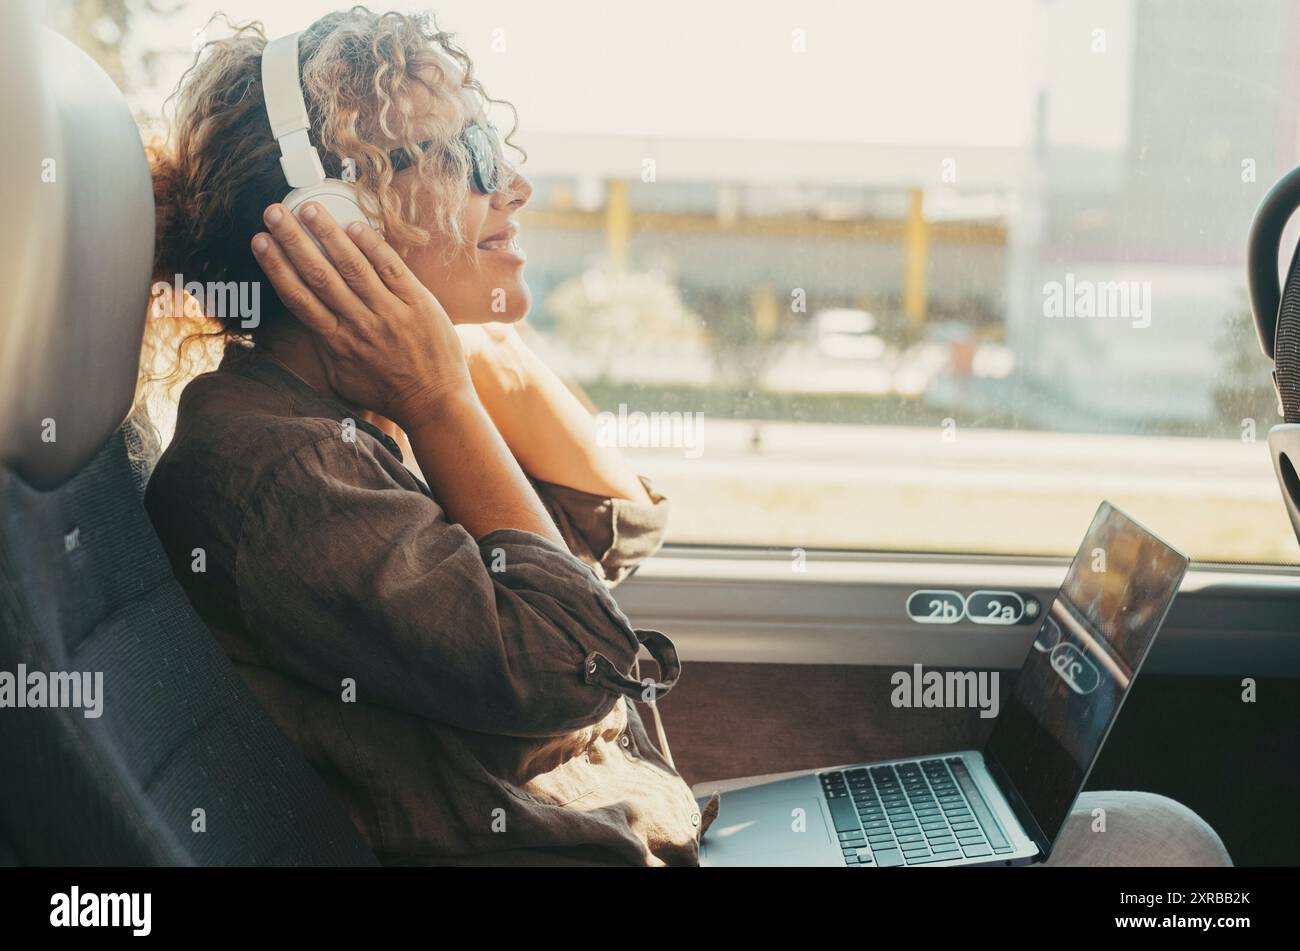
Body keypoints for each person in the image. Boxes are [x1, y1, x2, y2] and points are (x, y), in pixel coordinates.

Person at [142, 7, 1229, 867]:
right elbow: (575, 660)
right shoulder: (277, 464)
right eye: (465, 153)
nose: (510, 182)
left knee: (1147, 834)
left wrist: (476, 365)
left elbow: (609, 536)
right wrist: (443, 401)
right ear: (336, 220)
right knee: (1160, 846)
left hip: (639, 824)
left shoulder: (353, 410)